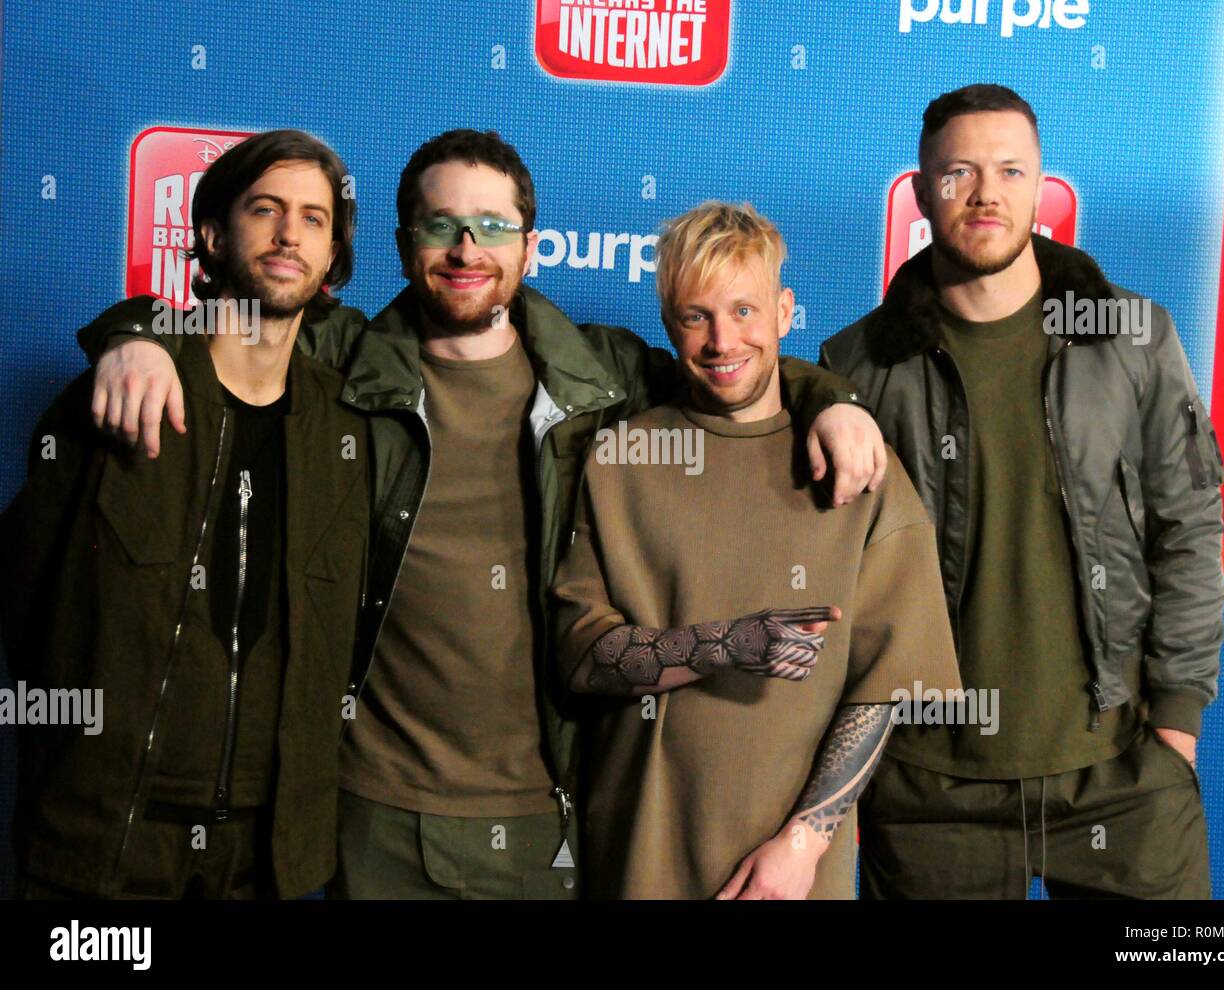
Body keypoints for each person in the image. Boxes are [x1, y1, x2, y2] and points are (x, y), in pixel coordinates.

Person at [75, 130, 888, 899]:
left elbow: (734, 372)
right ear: (404, 246)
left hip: (548, 806)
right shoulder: (344, 362)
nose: (468, 249)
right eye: (443, 225)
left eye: (492, 225)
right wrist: (135, 334)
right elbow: (244, 312)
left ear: (530, 247)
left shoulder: (604, 376)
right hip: (370, 802)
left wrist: (834, 398)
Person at [820, 84, 1224, 899]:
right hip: (932, 788)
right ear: (922, 186)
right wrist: (813, 395)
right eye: (959, 172)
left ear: (1039, 183)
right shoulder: (858, 367)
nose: (985, 194)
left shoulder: (1132, 339)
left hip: (1121, 770)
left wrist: (1176, 725)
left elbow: (1187, 528)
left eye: (1010, 170)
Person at [551, 202, 961, 899]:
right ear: (668, 323)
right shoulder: (619, 458)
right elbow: (583, 655)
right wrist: (728, 645)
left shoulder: (858, 467)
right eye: (695, 316)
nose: (721, 341)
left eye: (744, 311)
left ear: (784, 311)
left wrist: (803, 844)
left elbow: (883, 692)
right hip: (635, 855)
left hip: (794, 872)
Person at [1, 129, 370, 899]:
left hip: (264, 859)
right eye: (264, 209)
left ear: (334, 257)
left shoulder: (348, 433)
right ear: (210, 234)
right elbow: (24, 591)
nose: (287, 235)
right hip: (102, 846)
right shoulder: (117, 399)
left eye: (312, 218)